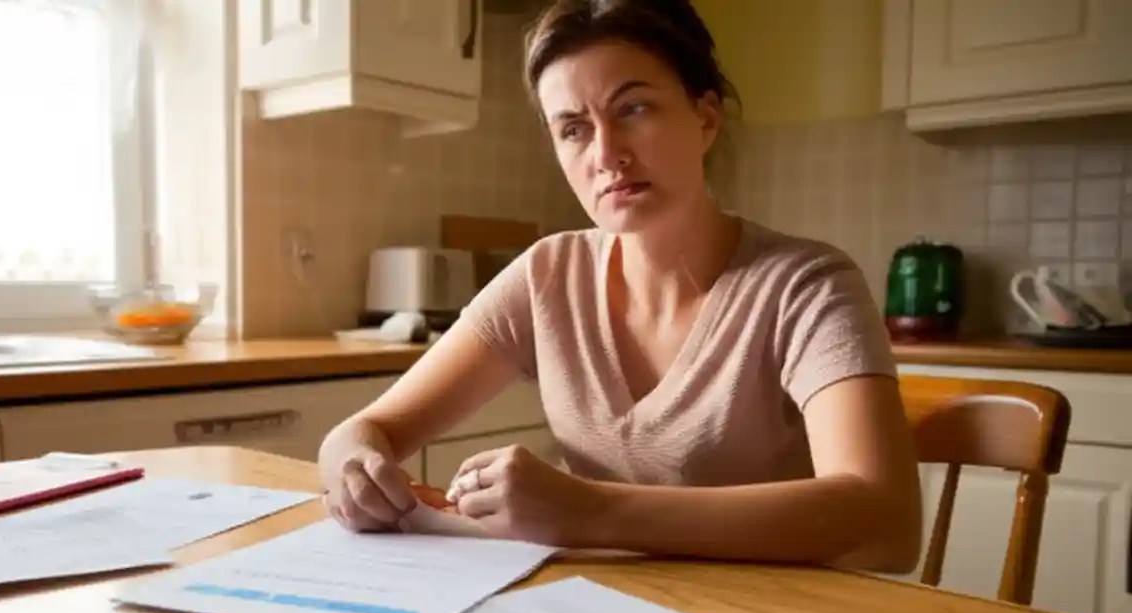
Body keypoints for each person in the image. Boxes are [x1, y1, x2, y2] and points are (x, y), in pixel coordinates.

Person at [318, 0, 921, 572]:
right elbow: (361, 433)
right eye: (574, 129)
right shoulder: (547, 276)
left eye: (634, 108)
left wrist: (592, 510)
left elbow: (887, 523)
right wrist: (354, 467)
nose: (606, 154)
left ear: (705, 117)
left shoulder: (808, 288)